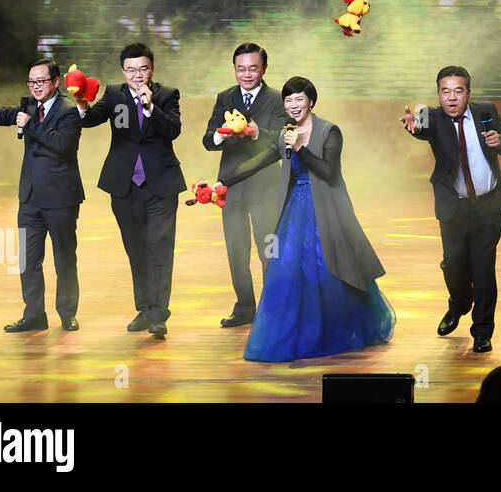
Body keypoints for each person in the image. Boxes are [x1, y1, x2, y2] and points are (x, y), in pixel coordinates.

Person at [243, 77, 394, 361]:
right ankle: (296, 332)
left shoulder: (329, 131)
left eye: (299, 99)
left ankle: (336, 331)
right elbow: (260, 160)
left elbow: (329, 173)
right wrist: (223, 182)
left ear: (310, 101)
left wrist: (301, 147)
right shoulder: (286, 134)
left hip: (326, 207)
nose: (293, 105)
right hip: (293, 210)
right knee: (286, 268)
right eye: (288, 100)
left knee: (330, 268)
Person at [400, 66, 501, 354]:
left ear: (468, 93)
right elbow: (421, 128)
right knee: (453, 266)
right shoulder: (430, 116)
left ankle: (482, 331)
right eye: (445, 91)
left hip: (487, 206)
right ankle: (458, 303)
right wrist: (414, 128)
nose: (452, 98)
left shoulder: (485, 112)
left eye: (458, 91)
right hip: (453, 208)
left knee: (483, 270)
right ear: (438, 94)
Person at [0, 59, 85, 332]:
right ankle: (34, 315)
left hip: (61, 199)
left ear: (56, 82)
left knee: (64, 259)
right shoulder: (29, 106)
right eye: (31, 82)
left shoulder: (69, 111)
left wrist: (31, 125)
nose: (35, 86)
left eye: (41, 81)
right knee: (28, 261)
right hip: (30, 199)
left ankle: (67, 313)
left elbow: (62, 145)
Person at [75, 42, 184, 340]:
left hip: (161, 185)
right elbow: (91, 119)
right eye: (131, 70)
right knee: (136, 249)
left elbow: (173, 130)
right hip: (124, 185)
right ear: (123, 71)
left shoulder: (167, 94)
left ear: (152, 69)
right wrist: (82, 104)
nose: (137, 75)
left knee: (159, 247)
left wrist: (150, 107)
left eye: (143, 69)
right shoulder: (114, 94)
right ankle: (145, 308)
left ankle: (158, 314)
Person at [202, 42, 288, 327]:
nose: (247, 74)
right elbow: (208, 140)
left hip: (266, 186)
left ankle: (273, 307)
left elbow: (282, 141)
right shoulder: (225, 97)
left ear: (264, 68)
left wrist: (256, 133)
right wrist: (220, 135)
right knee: (236, 250)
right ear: (234, 69)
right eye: (241, 69)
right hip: (231, 187)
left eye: (253, 68)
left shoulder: (277, 99)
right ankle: (244, 307)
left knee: (269, 249)